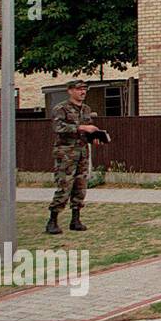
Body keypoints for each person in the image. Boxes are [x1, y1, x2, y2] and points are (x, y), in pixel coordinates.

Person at [48, 79, 99, 234]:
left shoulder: (86, 109)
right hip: (66, 154)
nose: (82, 92)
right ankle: (53, 220)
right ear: (70, 91)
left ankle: (75, 219)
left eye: (84, 89)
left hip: (82, 152)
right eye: (79, 89)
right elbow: (58, 127)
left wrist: (94, 136)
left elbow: (87, 129)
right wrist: (81, 127)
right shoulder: (61, 108)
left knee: (80, 186)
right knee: (64, 186)